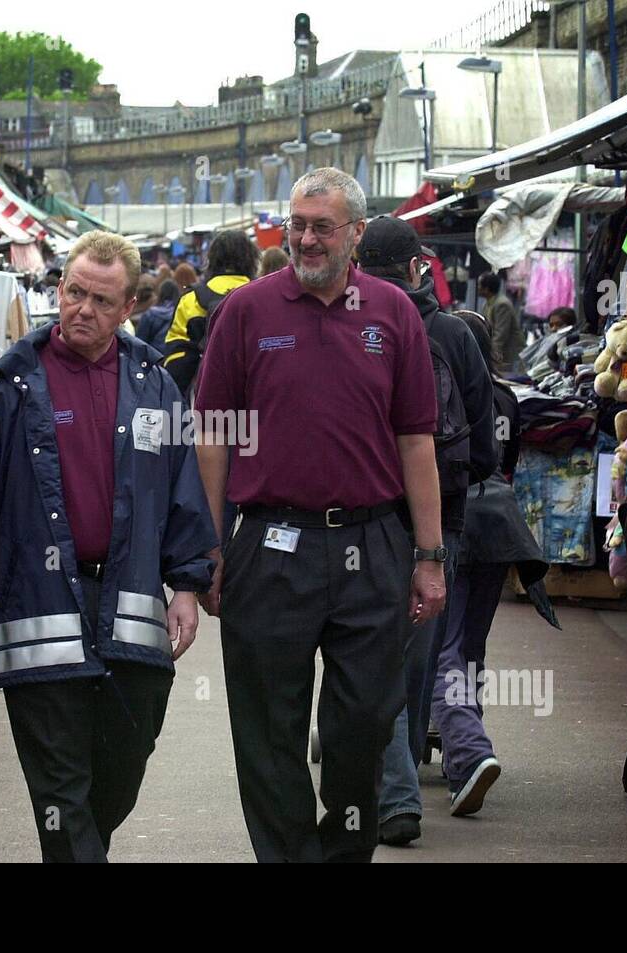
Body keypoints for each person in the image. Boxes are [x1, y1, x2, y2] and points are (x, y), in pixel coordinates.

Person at [0, 231, 218, 863]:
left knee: (118, 775)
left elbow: (182, 486)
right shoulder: (10, 384)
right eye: (74, 292)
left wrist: (186, 584)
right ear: (59, 288)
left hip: (130, 610)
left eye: (101, 301)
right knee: (61, 791)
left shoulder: (152, 386)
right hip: (38, 610)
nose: (82, 309)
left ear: (128, 306)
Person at [193, 168, 447, 862]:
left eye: (321, 226)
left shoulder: (394, 314)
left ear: (355, 234)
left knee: (362, 722)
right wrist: (209, 548)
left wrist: (430, 556)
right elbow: (212, 431)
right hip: (268, 547)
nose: (304, 238)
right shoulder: (245, 312)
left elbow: (416, 439)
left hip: (373, 547)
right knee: (268, 729)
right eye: (296, 225)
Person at [356, 215, 497, 845]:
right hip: (444, 519)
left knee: (372, 653)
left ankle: (395, 792)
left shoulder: (355, 327)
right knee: (416, 657)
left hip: (368, 515)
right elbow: (486, 437)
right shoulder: (453, 332)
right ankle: (401, 781)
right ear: (418, 264)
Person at [430, 310, 549, 817]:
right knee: (469, 645)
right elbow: (505, 463)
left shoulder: (435, 388)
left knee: (441, 646)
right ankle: (461, 741)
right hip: (499, 526)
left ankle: (468, 747)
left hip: (454, 524)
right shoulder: (503, 397)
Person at [162, 229, 259, 397]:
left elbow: (176, 360)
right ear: (252, 259)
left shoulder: (191, 300)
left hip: (210, 405)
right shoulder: (265, 298)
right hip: (259, 404)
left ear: (212, 259)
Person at [479, 271, 524, 375]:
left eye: (479, 285)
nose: (478, 288)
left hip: (508, 351)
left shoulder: (502, 304)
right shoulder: (489, 303)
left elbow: (501, 332)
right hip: (500, 351)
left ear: (486, 288)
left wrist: (493, 354)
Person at [135, 279, 181, 355]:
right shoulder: (180, 313)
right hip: (173, 357)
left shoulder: (150, 313)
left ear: (160, 293)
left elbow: (140, 341)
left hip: (153, 357)